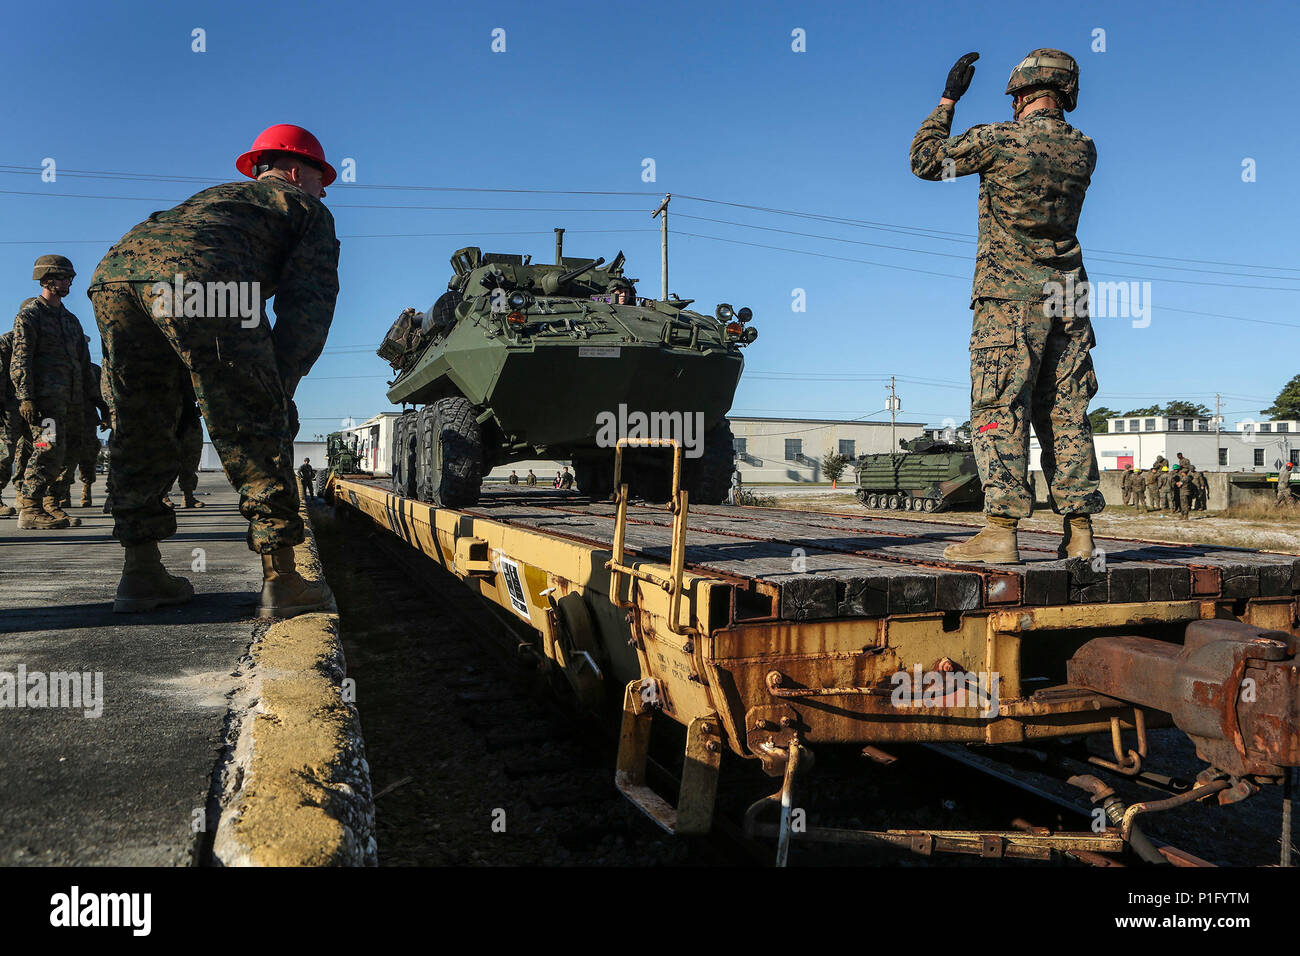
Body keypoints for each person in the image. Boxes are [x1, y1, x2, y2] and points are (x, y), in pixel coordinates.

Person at [87, 124, 340, 615]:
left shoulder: (221, 198)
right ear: (293, 171)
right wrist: (276, 387)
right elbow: (308, 309)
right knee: (250, 420)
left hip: (114, 278)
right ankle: (283, 581)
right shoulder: (306, 209)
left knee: (140, 420)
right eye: (319, 176)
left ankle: (140, 575)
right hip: (201, 279)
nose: (324, 188)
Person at [911, 49, 1102, 564]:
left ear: (1020, 94)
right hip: (1069, 295)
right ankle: (1080, 533)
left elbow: (926, 162)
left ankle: (1000, 532)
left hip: (1009, 297)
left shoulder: (999, 139)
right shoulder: (1084, 149)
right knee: (1066, 410)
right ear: (1068, 93)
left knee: (999, 408)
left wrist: (948, 99)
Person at [11, 255, 94, 530]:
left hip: (72, 401)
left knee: (68, 453)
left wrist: (95, 400)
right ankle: (31, 507)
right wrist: (26, 396)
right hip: (45, 402)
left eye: (70, 278)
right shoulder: (30, 316)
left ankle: (51, 504)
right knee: (46, 449)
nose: (68, 282)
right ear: (46, 280)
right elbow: (21, 358)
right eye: (62, 278)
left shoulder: (70, 321)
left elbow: (84, 365)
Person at [0, 330, 23, 517]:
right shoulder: (7, 342)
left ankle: (29, 497)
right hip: (9, 409)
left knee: (39, 448)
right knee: (5, 453)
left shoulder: (45, 336)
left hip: (38, 408)